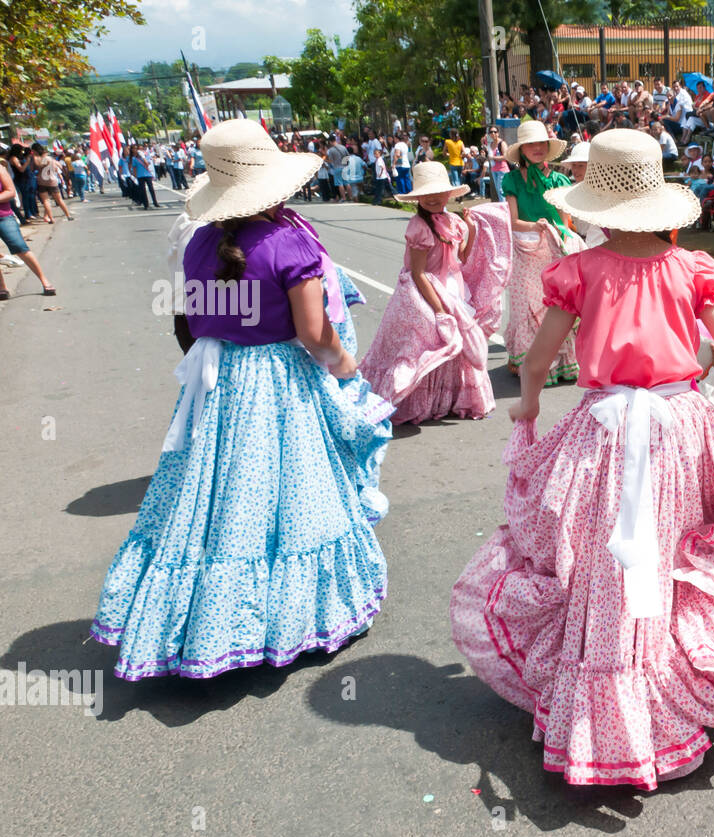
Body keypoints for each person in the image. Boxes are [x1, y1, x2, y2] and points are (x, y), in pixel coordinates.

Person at [449, 129, 714, 789]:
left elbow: (539, 359)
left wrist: (528, 407)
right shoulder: (690, 270)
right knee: (672, 557)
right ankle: (668, 695)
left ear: (598, 204)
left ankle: (607, 701)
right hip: (679, 429)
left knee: (599, 564)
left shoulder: (580, 269)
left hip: (602, 429)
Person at [90, 119, 394, 679]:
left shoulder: (200, 240)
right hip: (278, 382)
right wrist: (348, 368)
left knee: (211, 501)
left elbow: (187, 320)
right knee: (290, 499)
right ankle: (285, 622)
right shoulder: (289, 240)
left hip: (219, 379)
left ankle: (203, 626)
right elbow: (313, 331)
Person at [359, 162, 511, 424]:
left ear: (448, 195)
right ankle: (421, 401)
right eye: (426, 194)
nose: (432, 198)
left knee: (454, 347)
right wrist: (438, 309)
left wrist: (472, 230)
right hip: (423, 291)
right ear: (417, 197)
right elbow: (418, 273)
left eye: (438, 192)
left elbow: (461, 257)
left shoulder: (453, 222)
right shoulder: (418, 226)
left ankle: (447, 399)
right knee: (427, 343)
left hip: (453, 287)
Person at [502, 120, 585, 382]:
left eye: (541, 143)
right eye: (531, 144)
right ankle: (534, 365)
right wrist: (535, 226)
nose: (537, 148)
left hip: (554, 248)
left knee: (558, 306)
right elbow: (512, 220)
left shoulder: (559, 178)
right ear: (522, 150)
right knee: (530, 307)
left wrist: (563, 235)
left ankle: (562, 364)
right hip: (526, 248)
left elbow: (565, 222)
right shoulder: (512, 179)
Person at [0, 160, 56, 297]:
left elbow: (11, 192)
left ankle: (44, 281)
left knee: (20, 248)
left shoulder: (0, 169)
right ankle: (2, 288)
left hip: (3, 217)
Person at [32, 144, 74, 222]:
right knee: (59, 199)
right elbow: (59, 167)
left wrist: (34, 158)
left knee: (46, 200)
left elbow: (38, 166)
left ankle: (51, 218)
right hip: (52, 180)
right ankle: (68, 215)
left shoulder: (37, 158)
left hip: (41, 181)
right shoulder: (50, 159)